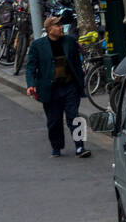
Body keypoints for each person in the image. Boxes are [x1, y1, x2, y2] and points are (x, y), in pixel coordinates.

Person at [25, 16, 89, 158]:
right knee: (54, 121)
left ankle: (80, 146)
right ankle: (56, 146)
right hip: (51, 89)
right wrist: (31, 85)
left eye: (61, 25)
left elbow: (78, 62)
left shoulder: (70, 41)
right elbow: (30, 68)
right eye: (57, 26)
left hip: (70, 86)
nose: (61, 28)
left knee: (74, 117)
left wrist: (80, 79)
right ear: (49, 29)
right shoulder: (38, 45)